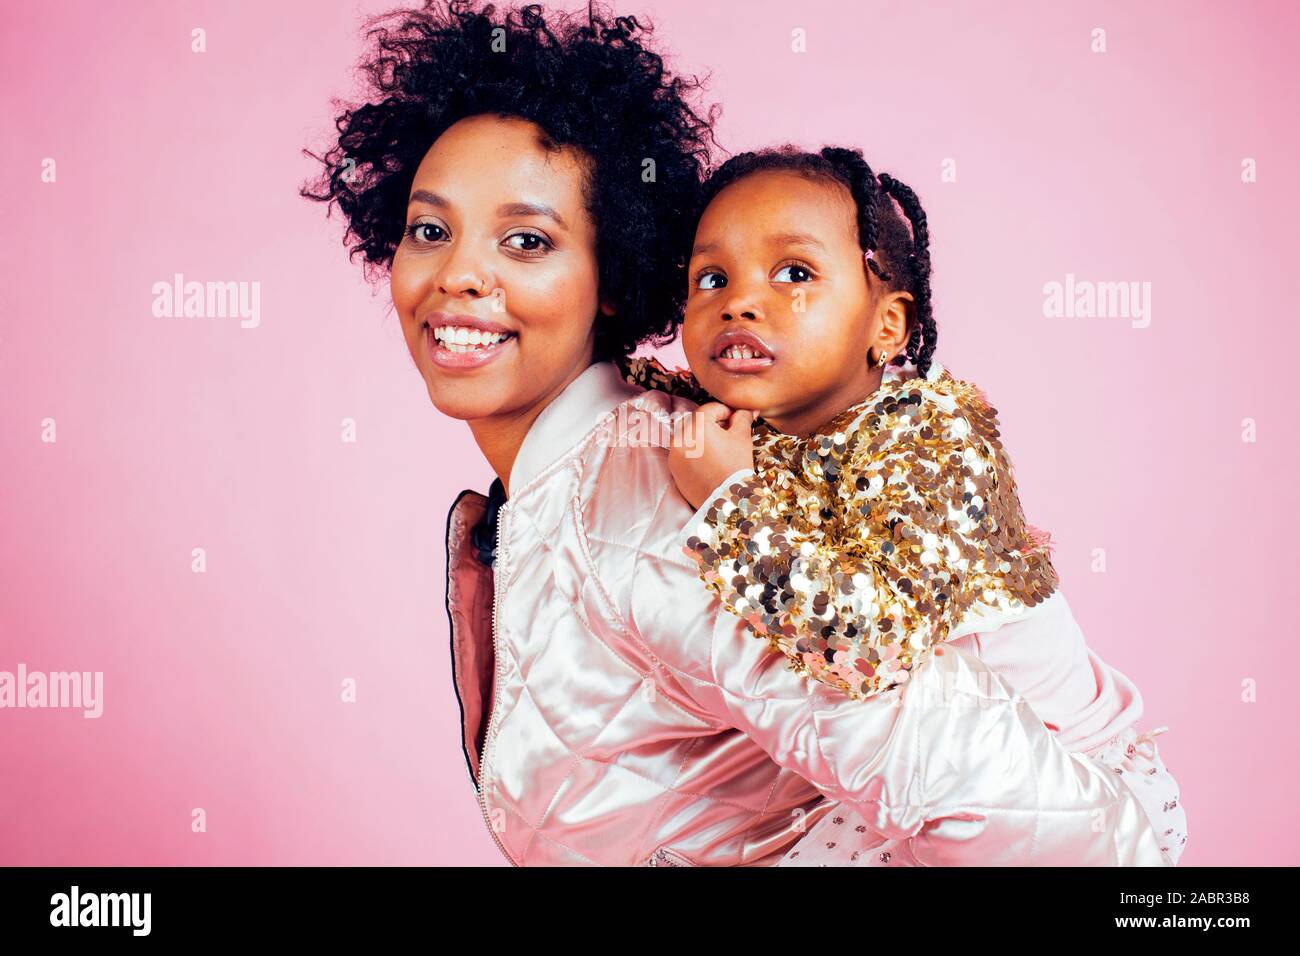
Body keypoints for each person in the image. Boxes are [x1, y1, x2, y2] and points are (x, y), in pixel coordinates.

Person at [304, 0, 1171, 865]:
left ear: (615, 276)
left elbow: (1065, 834)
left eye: (527, 240)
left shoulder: (661, 501)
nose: (459, 274)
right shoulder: (593, 470)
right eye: (429, 230)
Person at [630, 143, 1186, 865]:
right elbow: (647, 392)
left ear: (886, 328)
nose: (738, 300)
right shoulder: (775, 412)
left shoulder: (933, 437)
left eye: (794, 273)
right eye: (711, 278)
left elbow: (868, 651)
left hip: (1066, 792)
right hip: (922, 779)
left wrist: (731, 503)